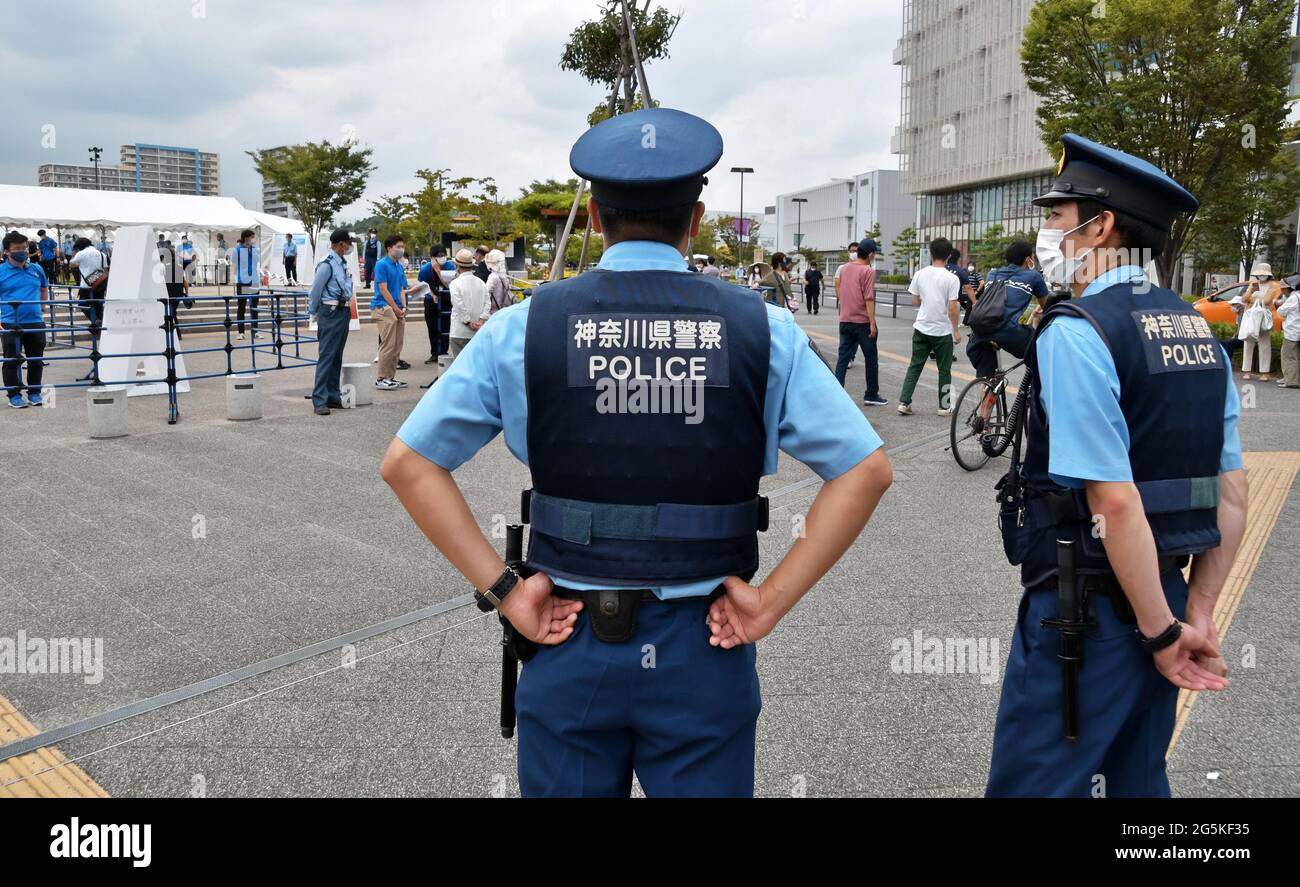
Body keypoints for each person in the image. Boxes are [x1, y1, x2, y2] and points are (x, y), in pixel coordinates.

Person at [379, 107, 893, 798]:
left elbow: (408, 464)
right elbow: (865, 469)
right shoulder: (759, 329)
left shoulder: (523, 329)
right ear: (698, 218)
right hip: (704, 645)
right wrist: (770, 602)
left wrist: (506, 591)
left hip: (567, 639)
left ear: (593, 216)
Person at [987, 133, 1244, 798]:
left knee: (1040, 782)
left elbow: (1114, 502)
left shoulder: (1080, 329)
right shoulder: (1195, 331)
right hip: (1169, 594)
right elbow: (1233, 493)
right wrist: (1198, 614)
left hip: (1086, 617)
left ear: (1100, 227)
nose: (1047, 232)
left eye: (1056, 216)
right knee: (1135, 783)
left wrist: (1162, 632)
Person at [964, 239, 1049, 380]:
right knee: (1041, 350)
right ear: (1028, 259)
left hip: (979, 330)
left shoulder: (993, 274)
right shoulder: (1034, 276)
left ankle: (987, 396)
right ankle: (1032, 394)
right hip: (1008, 331)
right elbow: (1046, 306)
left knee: (988, 379)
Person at [898, 237, 961, 416]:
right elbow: (953, 307)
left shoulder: (920, 273)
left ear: (931, 253)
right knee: (944, 369)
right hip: (942, 330)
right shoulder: (951, 278)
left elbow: (914, 300)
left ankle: (904, 401)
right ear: (949, 255)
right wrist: (956, 330)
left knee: (915, 365)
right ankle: (944, 406)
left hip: (921, 327)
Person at [307, 228, 356, 415]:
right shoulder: (327, 264)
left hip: (342, 310)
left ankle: (333, 396)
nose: (350, 246)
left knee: (337, 356)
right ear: (341, 244)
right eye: (348, 242)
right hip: (330, 311)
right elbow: (315, 290)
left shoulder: (341, 263)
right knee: (327, 356)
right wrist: (313, 312)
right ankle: (319, 399)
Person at [834, 237, 887, 406]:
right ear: (870, 254)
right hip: (862, 322)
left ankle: (836, 392)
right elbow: (869, 298)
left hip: (845, 319)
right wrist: (872, 322)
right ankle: (871, 394)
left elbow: (841, 292)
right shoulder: (868, 271)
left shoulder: (844, 268)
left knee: (843, 358)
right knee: (871, 359)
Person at [0, 232, 49, 408]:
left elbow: (44, 288)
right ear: (6, 251)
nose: (22, 251)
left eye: (24, 247)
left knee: (36, 360)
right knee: (11, 359)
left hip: (35, 321)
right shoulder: (1, 272)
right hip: (9, 322)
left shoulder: (37, 269)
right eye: (17, 248)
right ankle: (14, 395)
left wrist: (43, 307)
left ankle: (35, 393)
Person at [371, 234, 408, 390]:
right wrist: (396, 308)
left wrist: (404, 307)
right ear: (389, 248)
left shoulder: (399, 266)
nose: (401, 249)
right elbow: (383, 289)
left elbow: (401, 288)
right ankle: (381, 378)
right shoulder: (382, 264)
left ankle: (390, 377)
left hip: (397, 308)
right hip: (383, 306)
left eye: (402, 246)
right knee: (388, 344)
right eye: (398, 246)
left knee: (397, 345)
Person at [70, 237, 108, 381]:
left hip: (87, 285)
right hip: (99, 284)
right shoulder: (100, 253)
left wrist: (75, 255)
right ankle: (101, 324)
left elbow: (71, 265)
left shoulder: (82, 253)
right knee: (99, 306)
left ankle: (96, 321)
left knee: (82, 304)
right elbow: (105, 269)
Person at [448, 247, 490, 363]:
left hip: (459, 331)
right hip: (478, 330)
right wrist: (481, 320)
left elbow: (458, 305)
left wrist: (467, 321)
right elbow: (487, 303)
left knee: (460, 365)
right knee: (476, 365)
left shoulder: (455, 284)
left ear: (457, 266)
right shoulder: (481, 283)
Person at [1234, 262, 1275, 379]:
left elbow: (1267, 300)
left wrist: (1251, 299)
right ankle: (1246, 371)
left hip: (1263, 317)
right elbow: (1244, 299)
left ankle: (1265, 372)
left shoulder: (1272, 285)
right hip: (1250, 317)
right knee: (1248, 342)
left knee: (1265, 344)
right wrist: (1251, 291)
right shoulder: (1252, 284)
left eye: (1264, 274)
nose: (1262, 276)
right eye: (1260, 274)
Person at [417, 245, 451, 365]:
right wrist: (432, 294)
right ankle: (434, 353)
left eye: (443, 255)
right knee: (432, 327)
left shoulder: (450, 266)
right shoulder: (425, 269)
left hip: (446, 299)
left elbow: (449, 285)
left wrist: (438, 271)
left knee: (445, 326)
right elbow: (423, 284)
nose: (442, 258)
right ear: (432, 257)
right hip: (431, 299)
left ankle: (444, 351)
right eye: (438, 256)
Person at [231, 228, 260, 340]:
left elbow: (257, 261)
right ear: (245, 238)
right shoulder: (237, 249)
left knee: (254, 307)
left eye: (252, 237)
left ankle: (255, 331)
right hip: (242, 282)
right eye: (250, 237)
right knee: (241, 307)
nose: (251, 239)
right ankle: (241, 332)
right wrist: (234, 278)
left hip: (254, 281)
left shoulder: (255, 249)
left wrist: (250, 250)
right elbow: (233, 263)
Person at [1275, 273, 1300, 389]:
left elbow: (1280, 311)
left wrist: (1282, 303)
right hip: (1297, 331)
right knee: (1295, 356)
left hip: (1292, 331)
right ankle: (1290, 378)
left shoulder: (1293, 298)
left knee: (1289, 357)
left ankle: (1291, 381)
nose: (1282, 290)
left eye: (1283, 288)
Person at [947, 248, 976, 324]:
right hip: (954, 302)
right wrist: (974, 302)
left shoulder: (941, 269)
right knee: (952, 327)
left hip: (939, 301)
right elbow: (968, 288)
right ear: (958, 258)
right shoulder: (960, 271)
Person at [485, 248, 513, 314]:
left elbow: (486, 294)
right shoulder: (504, 275)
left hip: (493, 311)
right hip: (504, 309)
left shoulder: (493, 277)